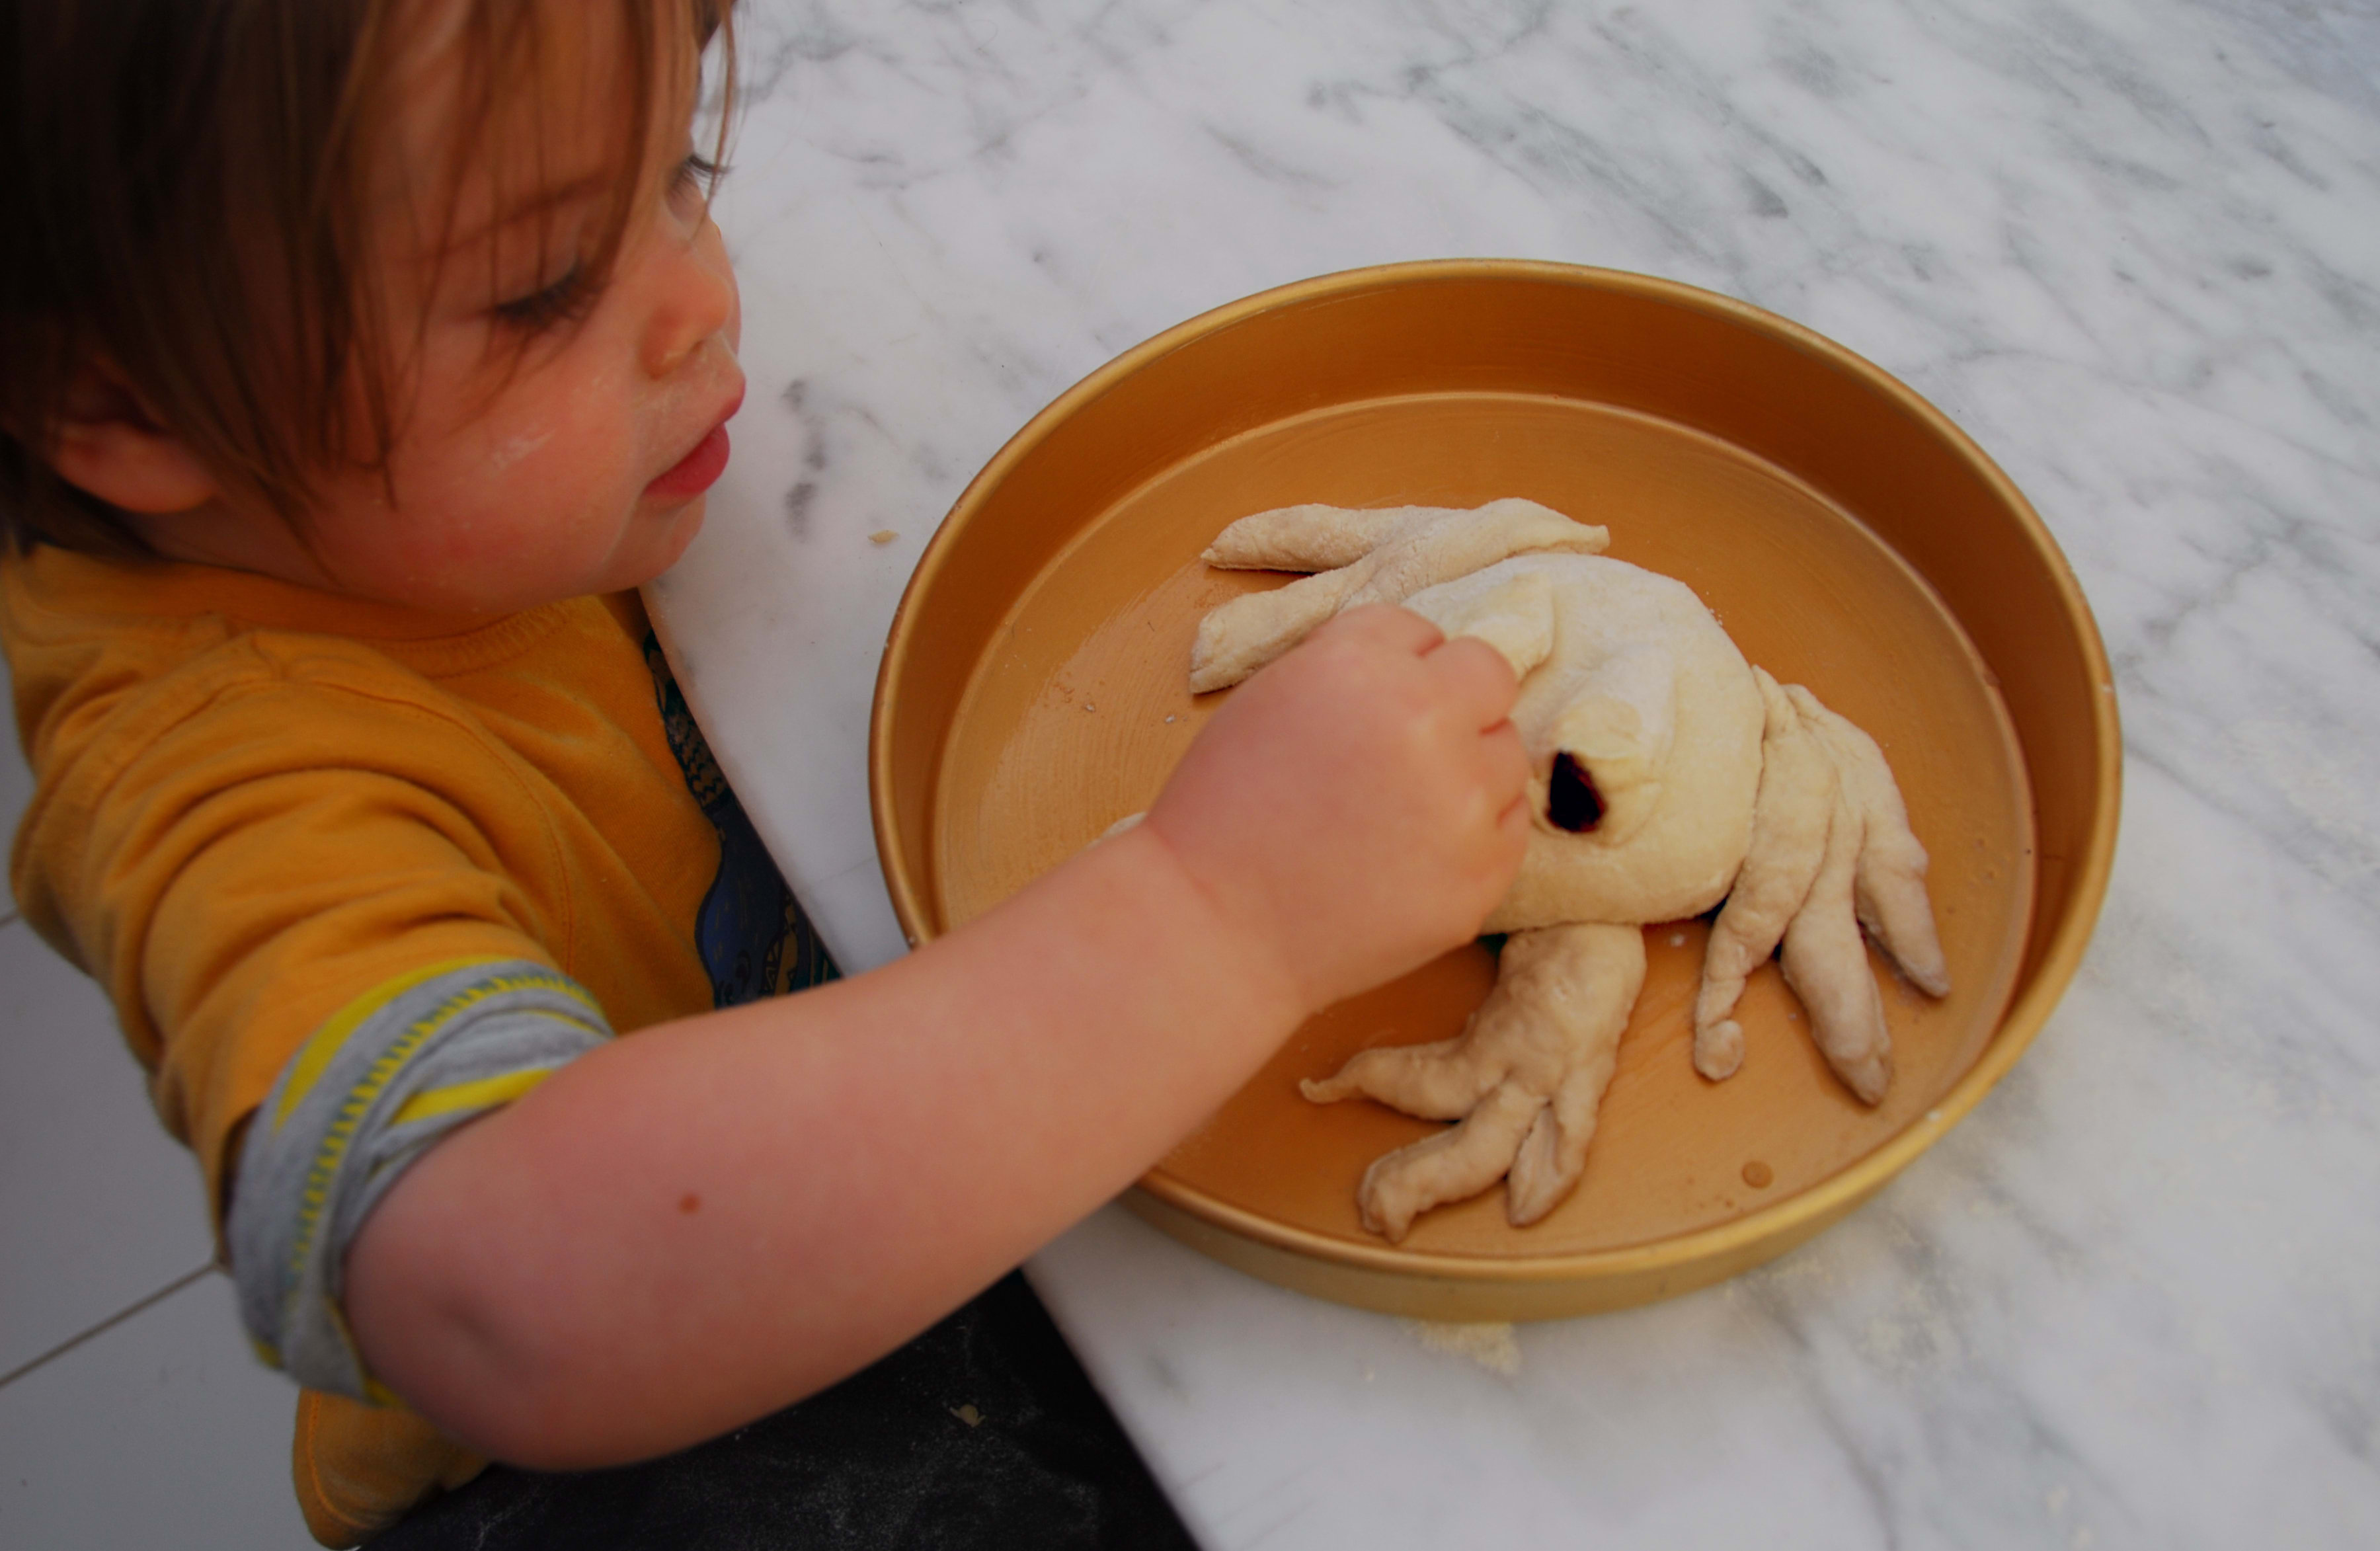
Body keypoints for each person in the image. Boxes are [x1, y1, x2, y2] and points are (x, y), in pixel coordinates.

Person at [0, 1, 1532, 1544]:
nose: (703, 300)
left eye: (679, 168)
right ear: (125, 407)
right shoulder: (218, 776)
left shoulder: (388, 468)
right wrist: (1223, 916)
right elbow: (507, 1300)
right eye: (541, 288)